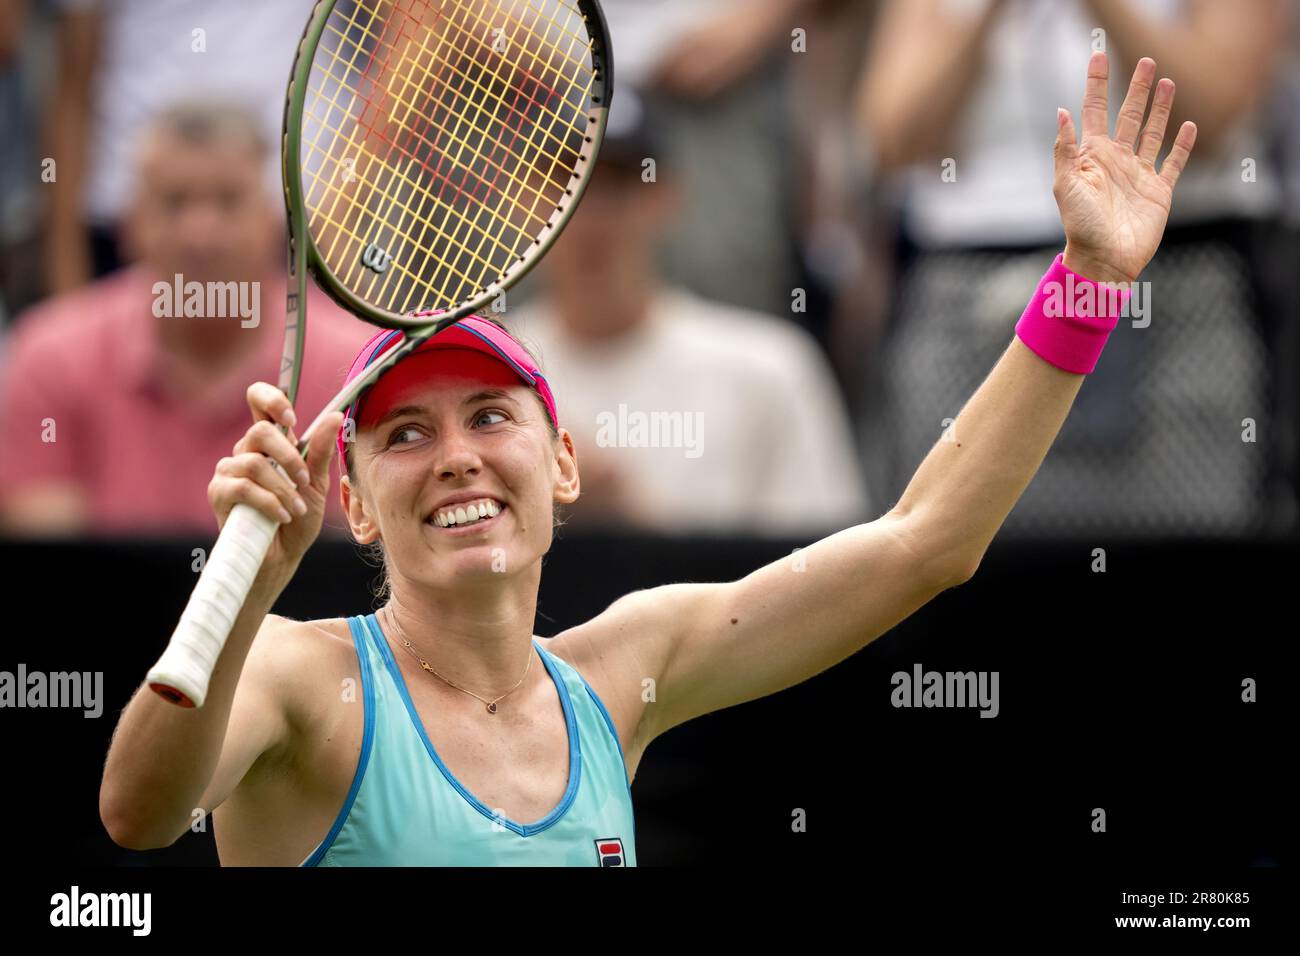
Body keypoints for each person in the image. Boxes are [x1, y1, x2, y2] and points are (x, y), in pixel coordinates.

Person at [99, 51, 1197, 865]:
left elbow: (925, 542)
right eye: (405, 433)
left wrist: (1090, 281)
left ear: (561, 463)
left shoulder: (619, 673)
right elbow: (139, 815)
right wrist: (244, 591)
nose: (455, 457)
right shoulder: (299, 674)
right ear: (358, 505)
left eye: (490, 416)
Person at [0, 100, 374, 536]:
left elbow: (364, 552)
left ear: (275, 222)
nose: (201, 233)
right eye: (174, 203)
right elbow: (45, 571)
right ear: (131, 224)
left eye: (228, 201)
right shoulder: (51, 358)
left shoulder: (352, 366)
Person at [505, 89, 870, 536]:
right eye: (565, 184)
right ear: (523, 203)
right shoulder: (484, 373)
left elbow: (829, 568)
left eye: (614, 186)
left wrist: (627, 516)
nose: (589, 213)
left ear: (665, 197)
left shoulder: (772, 368)